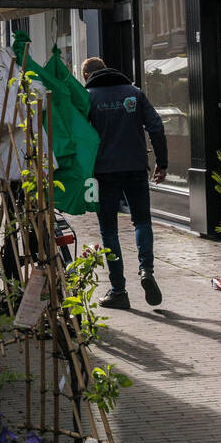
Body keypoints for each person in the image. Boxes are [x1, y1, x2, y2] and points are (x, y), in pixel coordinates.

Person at [81, 56, 168, 310]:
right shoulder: (134, 93)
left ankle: (118, 290)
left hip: (104, 172)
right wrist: (162, 163)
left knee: (109, 231)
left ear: (87, 77)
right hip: (135, 168)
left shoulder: (88, 99)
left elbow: (80, 137)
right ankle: (146, 270)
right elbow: (157, 127)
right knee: (142, 221)